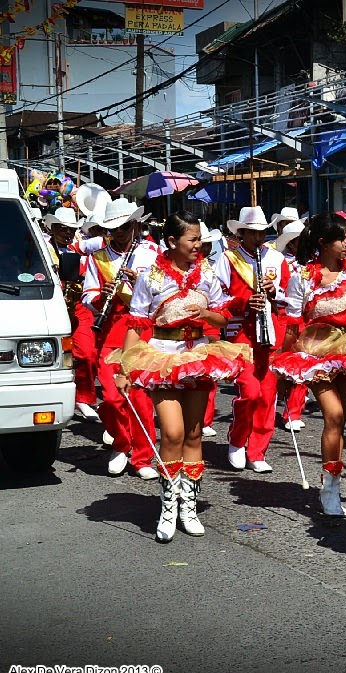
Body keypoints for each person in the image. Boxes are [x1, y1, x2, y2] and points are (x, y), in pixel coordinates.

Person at [111, 211, 250, 543]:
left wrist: (206, 314)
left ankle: (188, 505)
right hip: (162, 357)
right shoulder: (151, 277)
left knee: (193, 433)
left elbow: (222, 318)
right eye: (193, 239)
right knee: (172, 433)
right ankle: (168, 507)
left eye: (200, 238)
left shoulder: (207, 273)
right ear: (172, 241)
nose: (199, 244)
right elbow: (137, 325)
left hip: (198, 356)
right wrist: (124, 369)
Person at [272, 213, 346, 517]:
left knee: (339, 420)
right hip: (315, 354)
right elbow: (293, 323)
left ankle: (331, 480)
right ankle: (330, 489)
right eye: (341, 239)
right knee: (333, 414)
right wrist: (283, 362)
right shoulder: (303, 276)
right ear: (323, 242)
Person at [81, 199, 161, 477]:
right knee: (113, 398)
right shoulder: (99, 257)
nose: (119, 233)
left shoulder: (152, 253)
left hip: (143, 332)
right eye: (113, 229)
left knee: (140, 400)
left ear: (135, 225)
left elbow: (164, 291)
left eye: (124, 227)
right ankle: (121, 443)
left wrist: (139, 282)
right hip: (111, 333)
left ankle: (143, 458)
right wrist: (100, 296)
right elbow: (87, 294)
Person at [214, 206, 290, 473]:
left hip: (271, 331)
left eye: (262, 233)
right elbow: (217, 297)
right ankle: (237, 439)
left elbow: (291, 297)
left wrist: (274, 291)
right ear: (242, 233)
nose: (258, 238)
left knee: (268, 395)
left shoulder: (277, 258)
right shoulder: (228, 258)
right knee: (250, 392)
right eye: (253, 233)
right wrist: (244, 301)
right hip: (241, 332)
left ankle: (257, 451)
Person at [43, 207, 105, 423]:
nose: (68, 233)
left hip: (76, 305)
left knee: (87, 353)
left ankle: (83, 398)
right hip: (50, 304)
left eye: (71, 229)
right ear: (52, 228)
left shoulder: (77, 249)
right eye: (64, 229)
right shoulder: (41, 247)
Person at [271, 209, 309, 431]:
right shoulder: (280, 262)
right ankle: (270, 403)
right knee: (279, 364)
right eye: (300, 242)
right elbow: (278, 292)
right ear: (292, 244)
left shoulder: (314, 265)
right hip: (284, 319)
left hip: (306, 321)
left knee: (303, 365)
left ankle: (293, 413)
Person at [199, 222, 225, 438]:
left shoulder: (215, 266)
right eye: (202, 243)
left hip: (210, 324)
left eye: (208, 244)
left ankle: (205, 419)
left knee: (210, 373)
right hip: (187, 326)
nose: (205, 248)